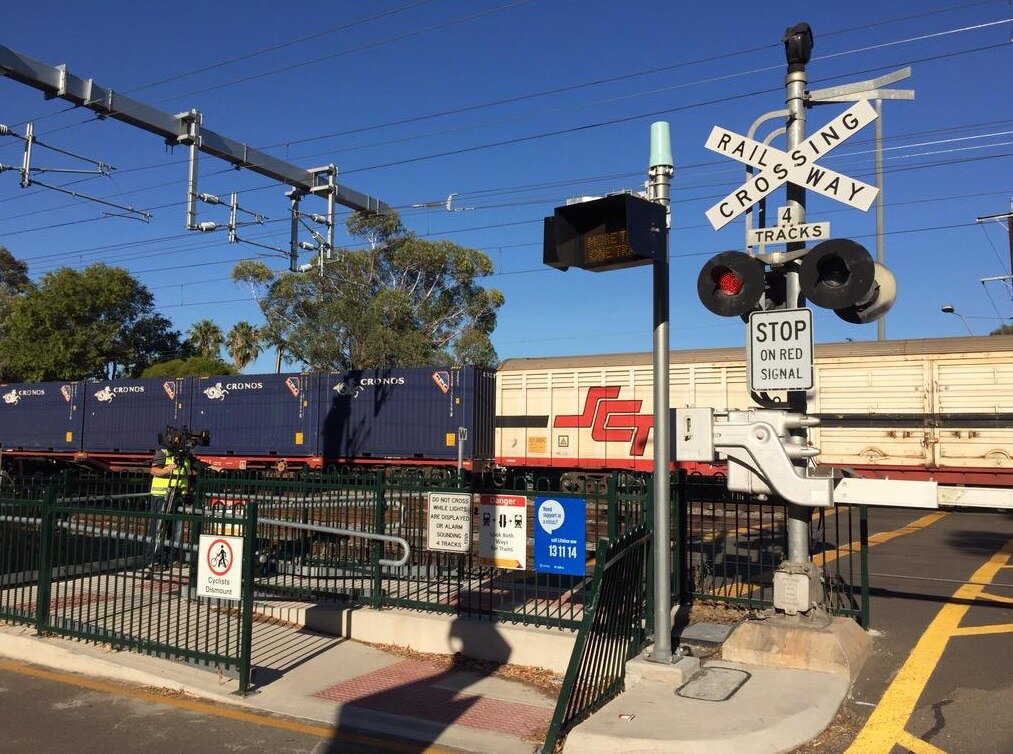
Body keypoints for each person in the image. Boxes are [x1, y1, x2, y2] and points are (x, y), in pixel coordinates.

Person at [148, 444, 192, 568]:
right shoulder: (163, 453)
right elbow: (153, 470)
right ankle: (154, 559)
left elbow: (196, 465)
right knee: (158, 529)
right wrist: (168, 469)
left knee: (177, 530)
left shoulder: (186, 455)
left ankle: (173, 558)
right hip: (161, 495)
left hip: (178, 495)